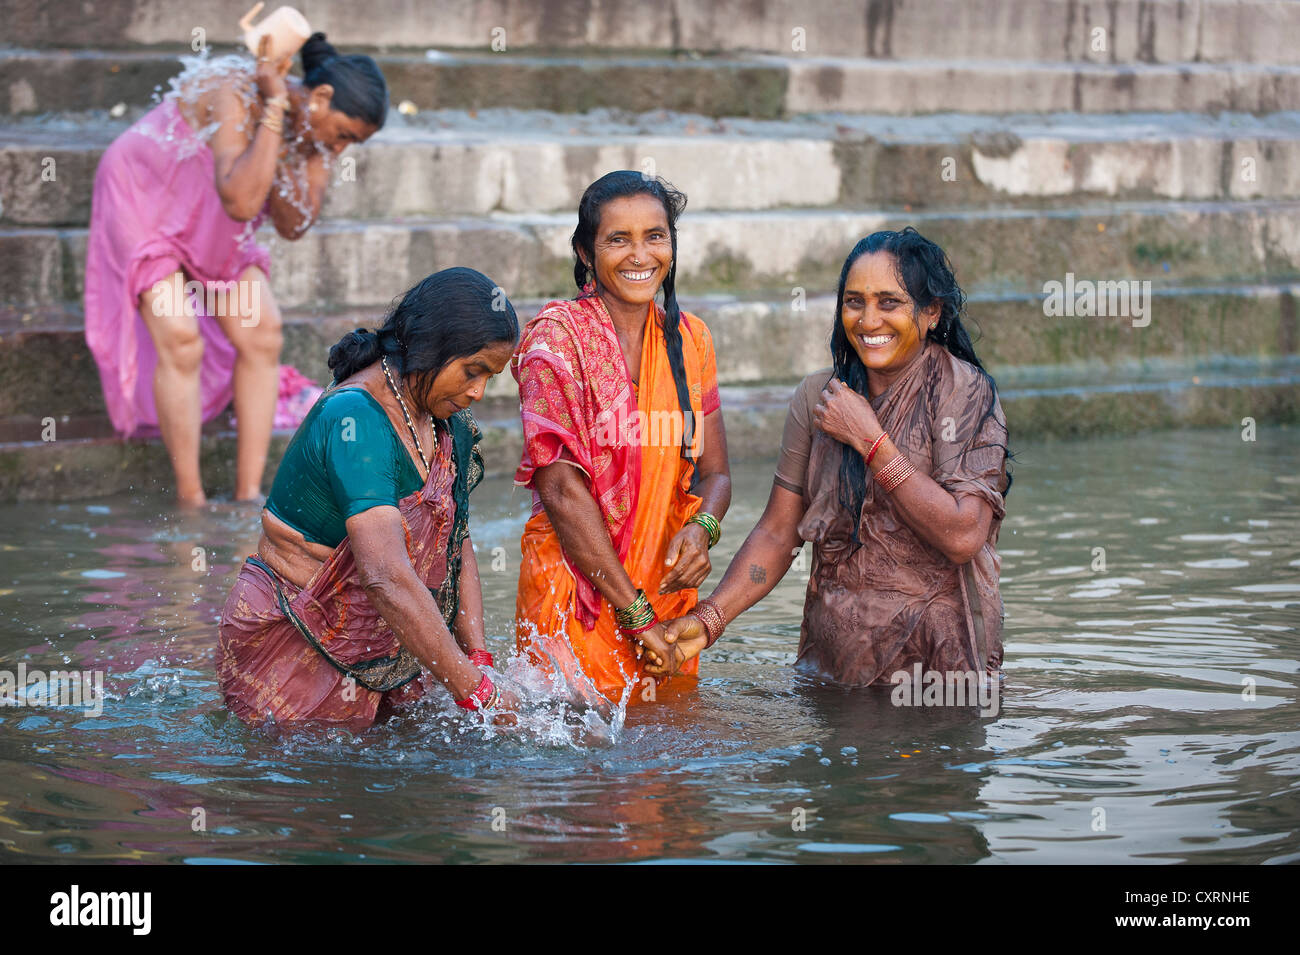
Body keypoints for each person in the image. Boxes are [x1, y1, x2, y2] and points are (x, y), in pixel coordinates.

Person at [656, 228, 1011, 693]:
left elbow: (964, 535)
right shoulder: (818, 398)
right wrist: (709, 620)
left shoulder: (964, 392)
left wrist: (871, 440)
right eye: (854, 302)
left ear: (930, 313)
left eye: (889, 302)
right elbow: (779, 533)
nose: (868, 320)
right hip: (833, 671)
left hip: (939, 677)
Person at [84, 32, 386, 506]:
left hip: (214, 221)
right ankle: (192, 500)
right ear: (322, 97)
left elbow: (293, 225)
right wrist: (273, 110)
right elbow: (244, 200)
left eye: (353, 143)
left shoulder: (318, 140)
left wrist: (303, 154)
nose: (340, 148)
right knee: (181, 337)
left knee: (263, 331)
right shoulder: (236, 90)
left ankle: (248, 495)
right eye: (343, 134)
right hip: (144, 195)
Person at [218, 268, 517, 727]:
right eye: (471, 371)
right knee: (313, 783)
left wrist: (478, 659)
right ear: (430, 347)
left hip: (392, 644)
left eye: (489, 377)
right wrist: (479, 695)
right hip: (297, 645)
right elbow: (384, 577)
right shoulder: (355, 418)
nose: (477, 391)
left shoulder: (446, 420)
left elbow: (454, 543)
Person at [512, 171, 732, 703]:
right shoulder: (555, 342)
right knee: (577, 767)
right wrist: (633, 615)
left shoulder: (691, 339)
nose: (640, 255)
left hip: (666, 601)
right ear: (586, 252)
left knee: (665, 766)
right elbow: (562, 492)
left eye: (655, 236)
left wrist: (703, 528)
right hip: (576, 599)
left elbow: (716, 473)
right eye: (618, 239)